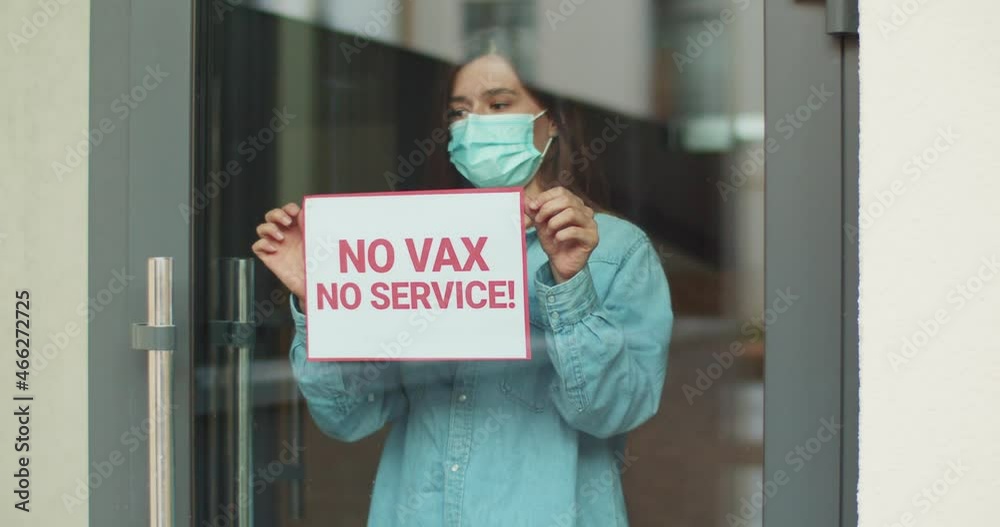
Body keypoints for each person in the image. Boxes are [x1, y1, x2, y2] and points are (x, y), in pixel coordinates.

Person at [252, 40, 673, 527]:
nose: (476, 124)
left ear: (552, 119)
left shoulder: (617, 250)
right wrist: (320, 299)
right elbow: (349, 417)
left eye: (499, 104)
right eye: (460, 112)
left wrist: (571, 283)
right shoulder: (410, 246)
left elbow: (613, 412)